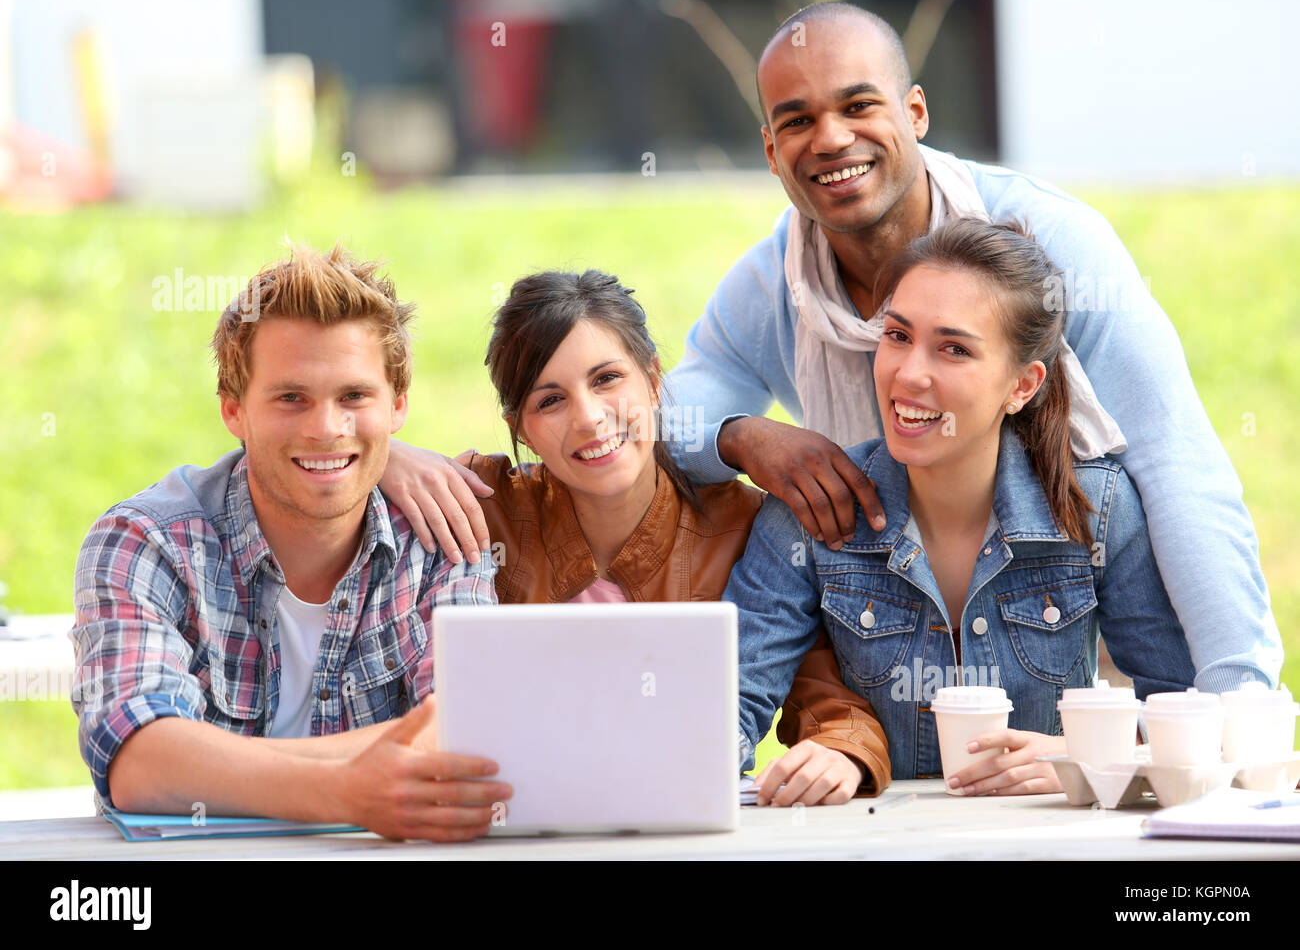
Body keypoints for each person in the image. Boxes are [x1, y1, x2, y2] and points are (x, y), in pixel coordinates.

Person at [659, 4, 1282, 768]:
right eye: (797, 120)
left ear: (915, 111)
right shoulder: (770, 287)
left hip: (1059, 579)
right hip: (874, 638)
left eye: (858, 105)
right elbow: (670, 416)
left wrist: (1240, 701)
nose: (829, 139)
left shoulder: (1056, 247)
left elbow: (1177, 463)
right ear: (770, 149)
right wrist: (743, 435)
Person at [729, 217, 1201, 796]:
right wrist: (829, 759)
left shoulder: (1095, 510)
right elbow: (725, 708)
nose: (909, 374)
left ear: (1022, 386)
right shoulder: (811, 514)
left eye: (953, 349)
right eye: (897, 336)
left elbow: (1187, 717)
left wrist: (1078, 756)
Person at [383, 269, 891, 803]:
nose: (589, 418)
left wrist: (841, 751)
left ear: (653, 380)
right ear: (521, 427)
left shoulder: (747, 528)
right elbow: (330, 468)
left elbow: (834, 706)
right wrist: (386, 457)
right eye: (549, 401)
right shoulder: (480, 508)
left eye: (606, 379)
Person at [70, 243, 510, 842]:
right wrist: (345, 792)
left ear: (398, 406)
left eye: (354, 396)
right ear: (233, 410)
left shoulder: (441, 537)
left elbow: (464, 736)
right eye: (290, 398)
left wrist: (206, 766)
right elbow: (141, 762)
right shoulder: (146, 543)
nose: (326, 428)